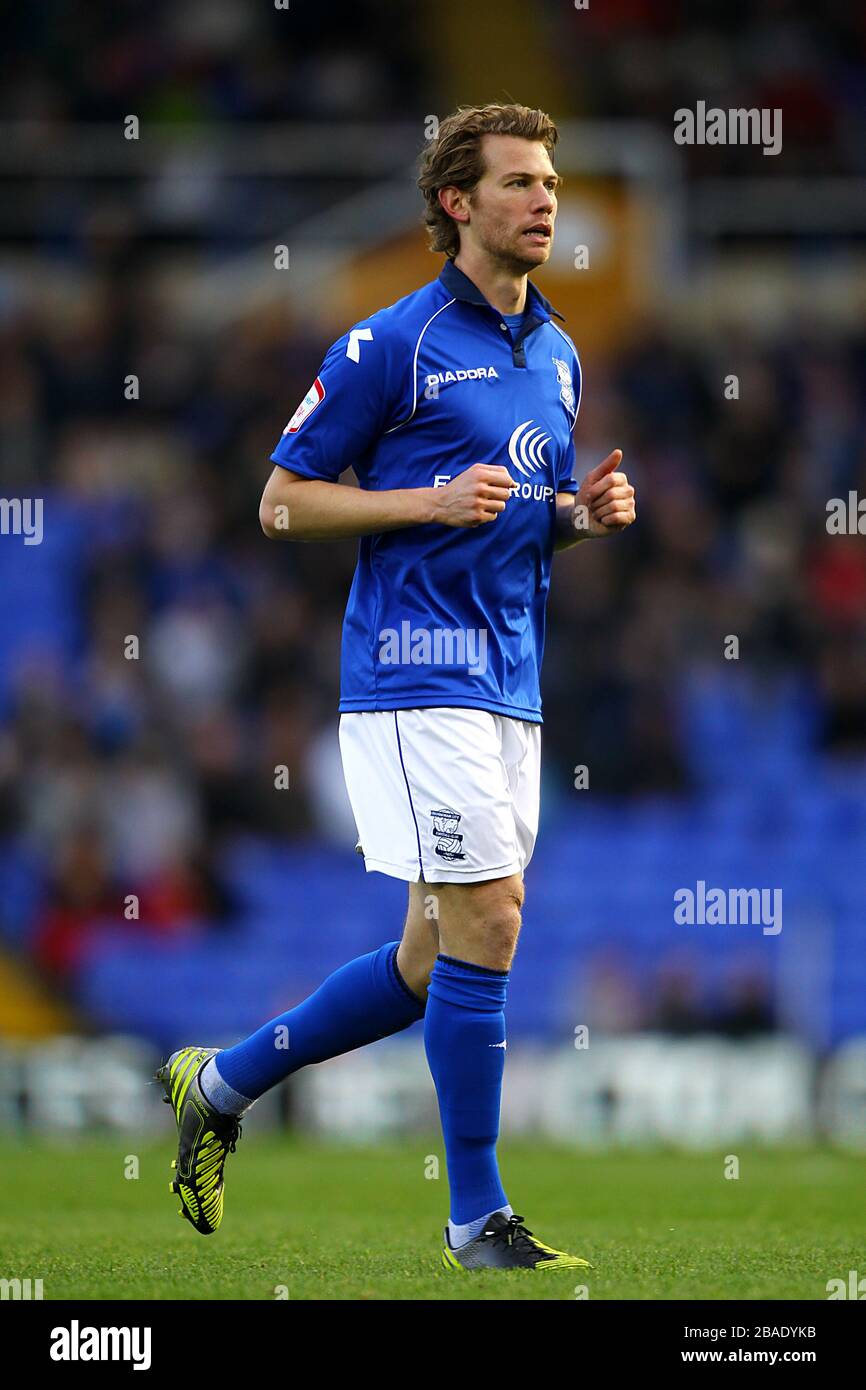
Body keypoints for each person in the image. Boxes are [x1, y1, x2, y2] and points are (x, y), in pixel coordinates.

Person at [157, 102, 636, 1271]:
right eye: (518, 183)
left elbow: (512, 524)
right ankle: (476, 1221)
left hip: (509, 680)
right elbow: (280, 502)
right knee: (494, 915)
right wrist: (419, 500)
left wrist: (576, 519)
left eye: (551, 185)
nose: (543, 202)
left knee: (431, 963)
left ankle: (218, 1085)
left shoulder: (559, 354)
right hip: (412, 673)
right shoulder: (389, 343)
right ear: (455, 204)